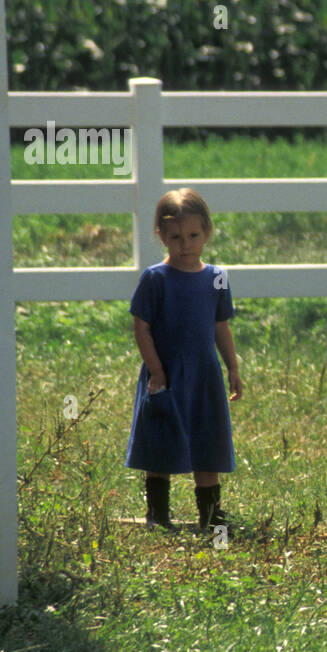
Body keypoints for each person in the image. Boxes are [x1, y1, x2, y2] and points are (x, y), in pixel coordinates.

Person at [125, 188, 243, 532]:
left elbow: (220, 325)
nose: (185, 244)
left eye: (193, 235)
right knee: (160, 439)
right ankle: (158, 516)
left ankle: (211, 516)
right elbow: (141, 327)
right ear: (161, 235)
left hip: (204, 375)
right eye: (176, 237)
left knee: (208, 439)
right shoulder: (155, 279)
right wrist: (157, 371)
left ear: (206, 232)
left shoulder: (217, 277)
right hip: (167, 374)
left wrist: (232, 366)